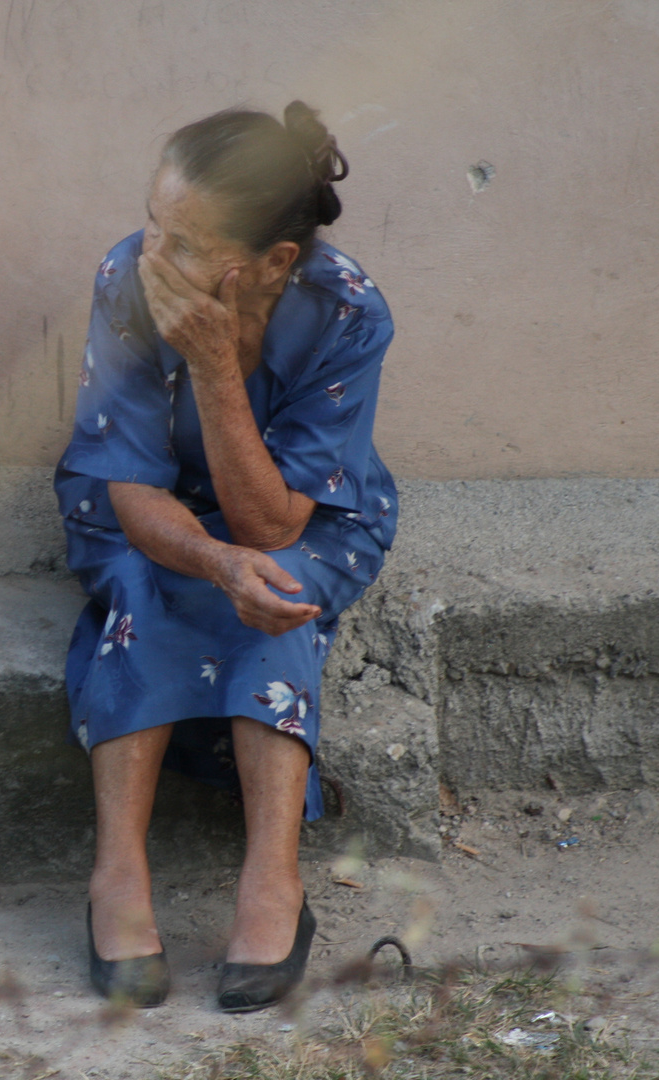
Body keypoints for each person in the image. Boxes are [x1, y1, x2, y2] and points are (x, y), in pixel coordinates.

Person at [55, 102, 398, 1012]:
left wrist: (213, 365)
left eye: (187, 244)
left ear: (275, 262)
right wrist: (210, 561)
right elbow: (132, 486)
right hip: (144, 506)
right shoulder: (127, 277)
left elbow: (273, 522)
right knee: (144, 579)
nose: (153, 257)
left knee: (278, 591)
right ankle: (118, 871)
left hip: (303, 515)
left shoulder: (347, 313)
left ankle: (273, 879)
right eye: (154, 225)